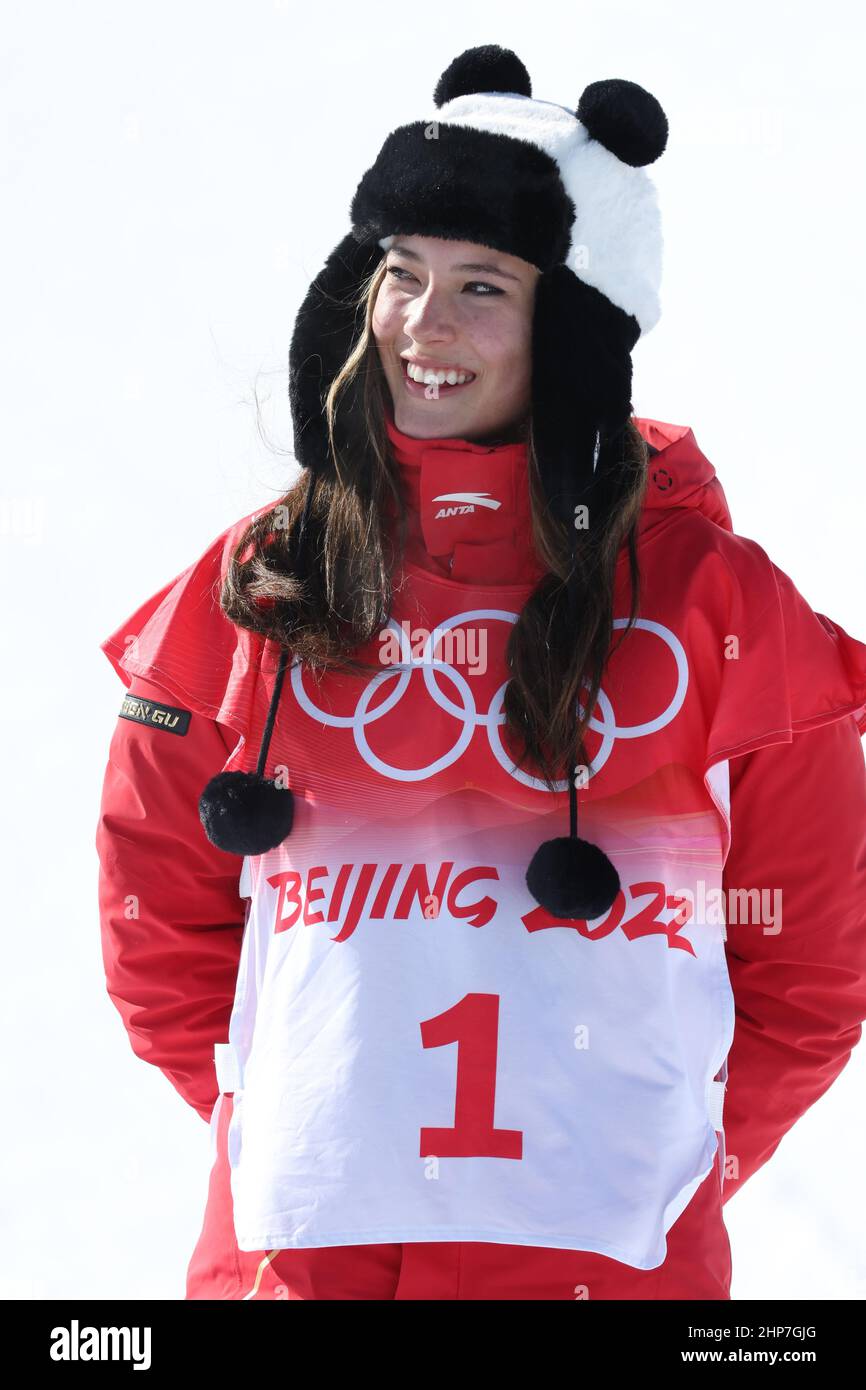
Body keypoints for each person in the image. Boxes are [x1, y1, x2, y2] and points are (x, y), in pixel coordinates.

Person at [95, 45, 866, 1301]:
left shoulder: (716, 611)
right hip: (292, 1273)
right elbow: (155, 915)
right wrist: (302, 1131)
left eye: (482, 287)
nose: (422, 325)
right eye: (399, 275)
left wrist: (656, 1170)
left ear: (570, 331)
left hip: (607, 1278)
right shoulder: (263, 585)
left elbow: (809, 964)